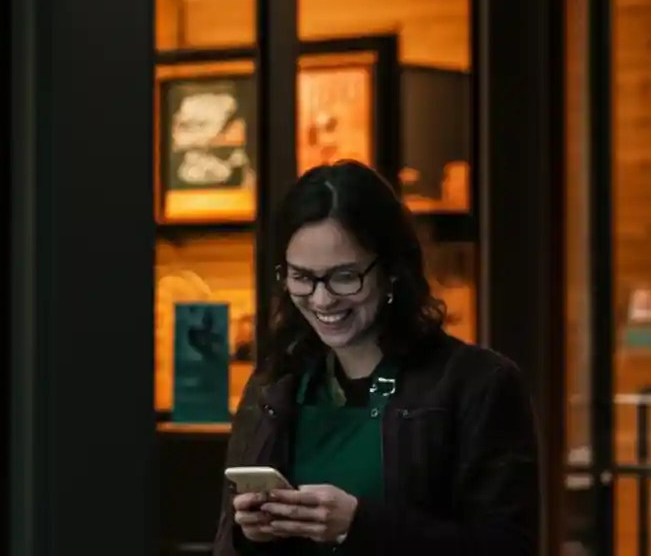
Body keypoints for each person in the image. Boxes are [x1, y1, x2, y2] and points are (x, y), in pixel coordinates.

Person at [213, 161, 538, 555]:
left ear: (392, 271)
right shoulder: (273, 387)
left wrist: (358, 526)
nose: (322, 298)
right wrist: (251, 536)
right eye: (302, 276)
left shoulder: (479, 385)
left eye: (345, 276)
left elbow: (508, 547)